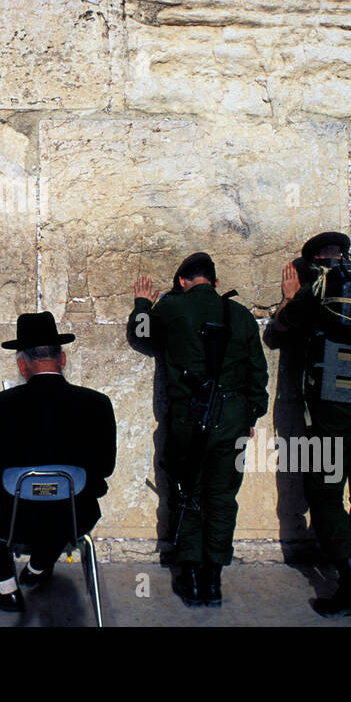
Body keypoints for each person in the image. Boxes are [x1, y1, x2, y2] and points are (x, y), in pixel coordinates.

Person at [267, 232, 351, 616]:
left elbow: (277, 331)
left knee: (325, 493)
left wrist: (290, 297)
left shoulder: (318, 289)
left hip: (332, 407)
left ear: (313, 261)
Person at [127, 252, 268, 607]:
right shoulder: (240, 314)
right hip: (232, 417)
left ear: (181, 281)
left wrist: (143, 304)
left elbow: (141, 336)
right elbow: (257, 372)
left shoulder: (172, 309)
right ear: (216, 282)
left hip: (188, 417)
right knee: (221, 497)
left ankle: (189, 574)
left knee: (186, 490)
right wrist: (250, 416)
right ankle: (213, 579)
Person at [0, 311, 116, 614]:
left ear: (21, 364)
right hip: (73, 517)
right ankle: (40, 566)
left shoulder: (3, 405)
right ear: (63, 359)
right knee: (61, 500)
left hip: (13, 517)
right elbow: (105, 466)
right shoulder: (97, 404)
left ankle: (7, 588)